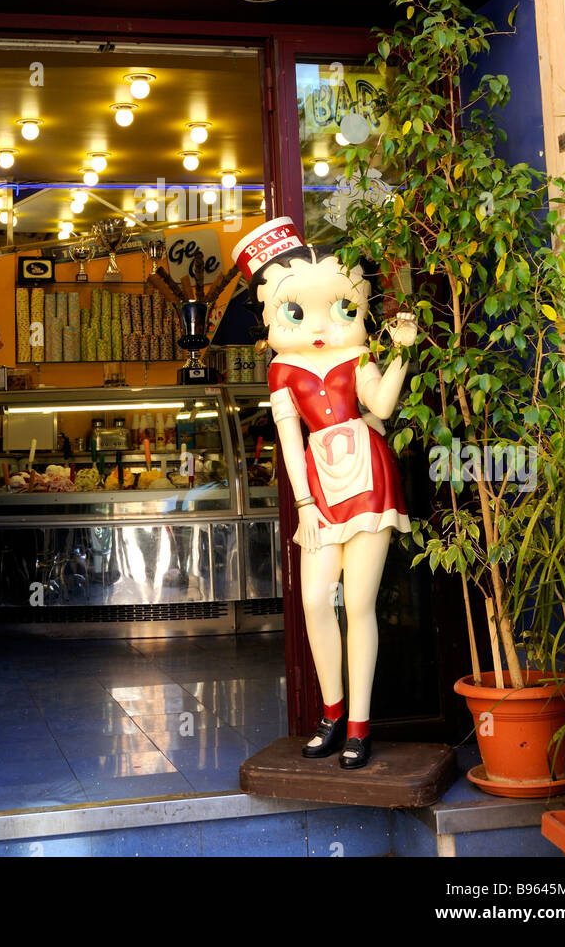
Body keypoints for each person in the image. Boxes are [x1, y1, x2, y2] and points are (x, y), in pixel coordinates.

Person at [232, 217, 416, 770]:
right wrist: (305, 505)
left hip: (369, 477)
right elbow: (290, 442)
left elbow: (380, 408)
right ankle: (331, 714)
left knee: (358, 604)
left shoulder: (357, 359)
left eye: (342, 307)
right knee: (315, 601)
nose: (319, 325)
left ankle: (359, 725)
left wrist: (401, 352)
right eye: (294, 311)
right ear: (270, 319)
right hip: (320, 489)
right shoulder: (283, 371)